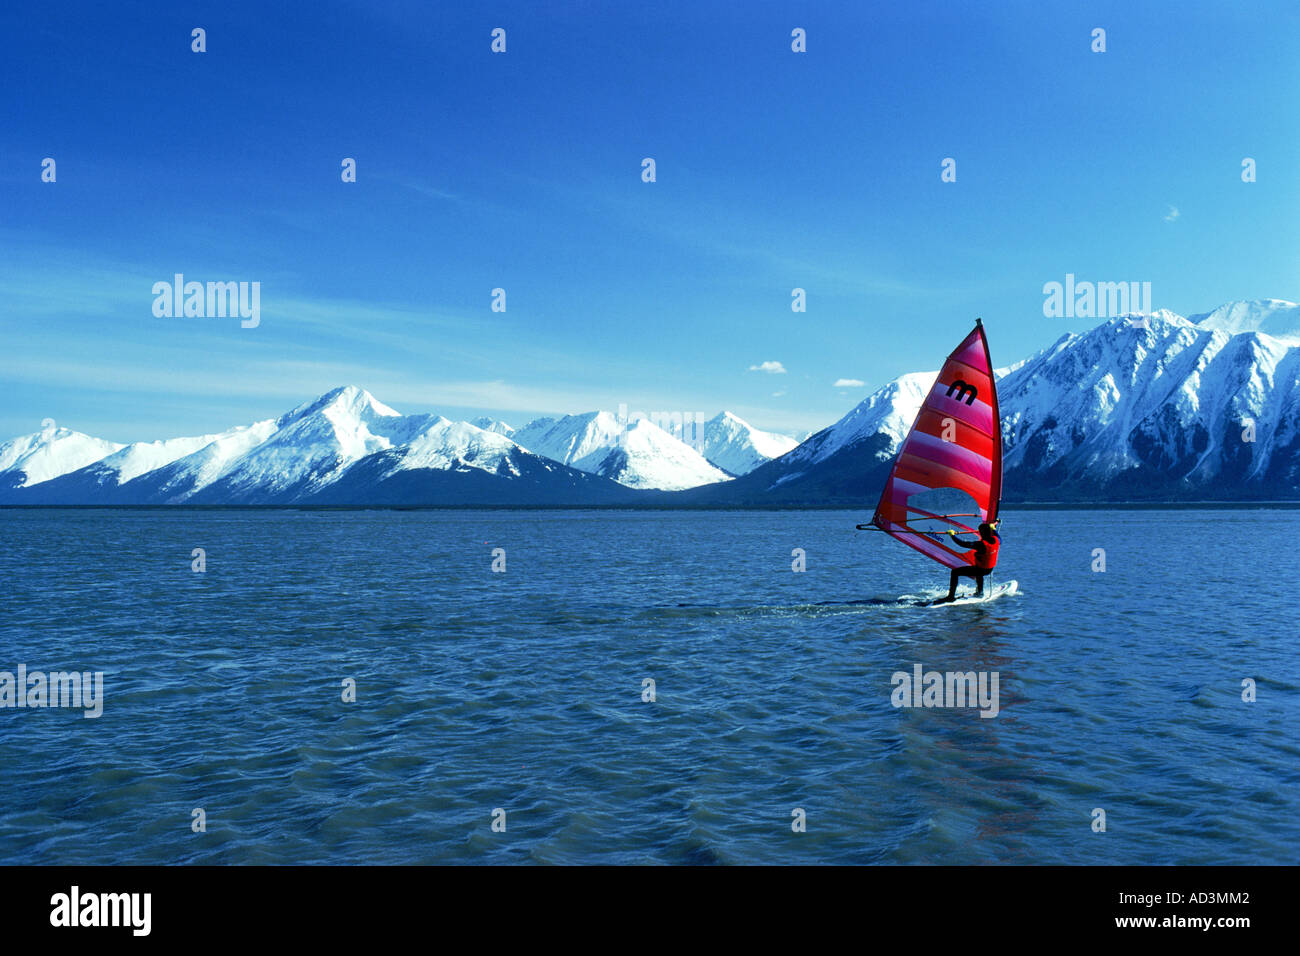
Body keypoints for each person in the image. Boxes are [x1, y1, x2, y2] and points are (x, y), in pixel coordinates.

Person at [937, 519, 1000, 602]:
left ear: (982, 533)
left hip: (981, 569)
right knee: (978, 571)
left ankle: (950, 597)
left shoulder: (981, 544)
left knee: (955, 572)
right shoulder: (996, 540)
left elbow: (963, 544)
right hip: (989, 569)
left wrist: (952, 536)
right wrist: (994, 529)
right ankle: (980, 593)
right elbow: (999, 537)